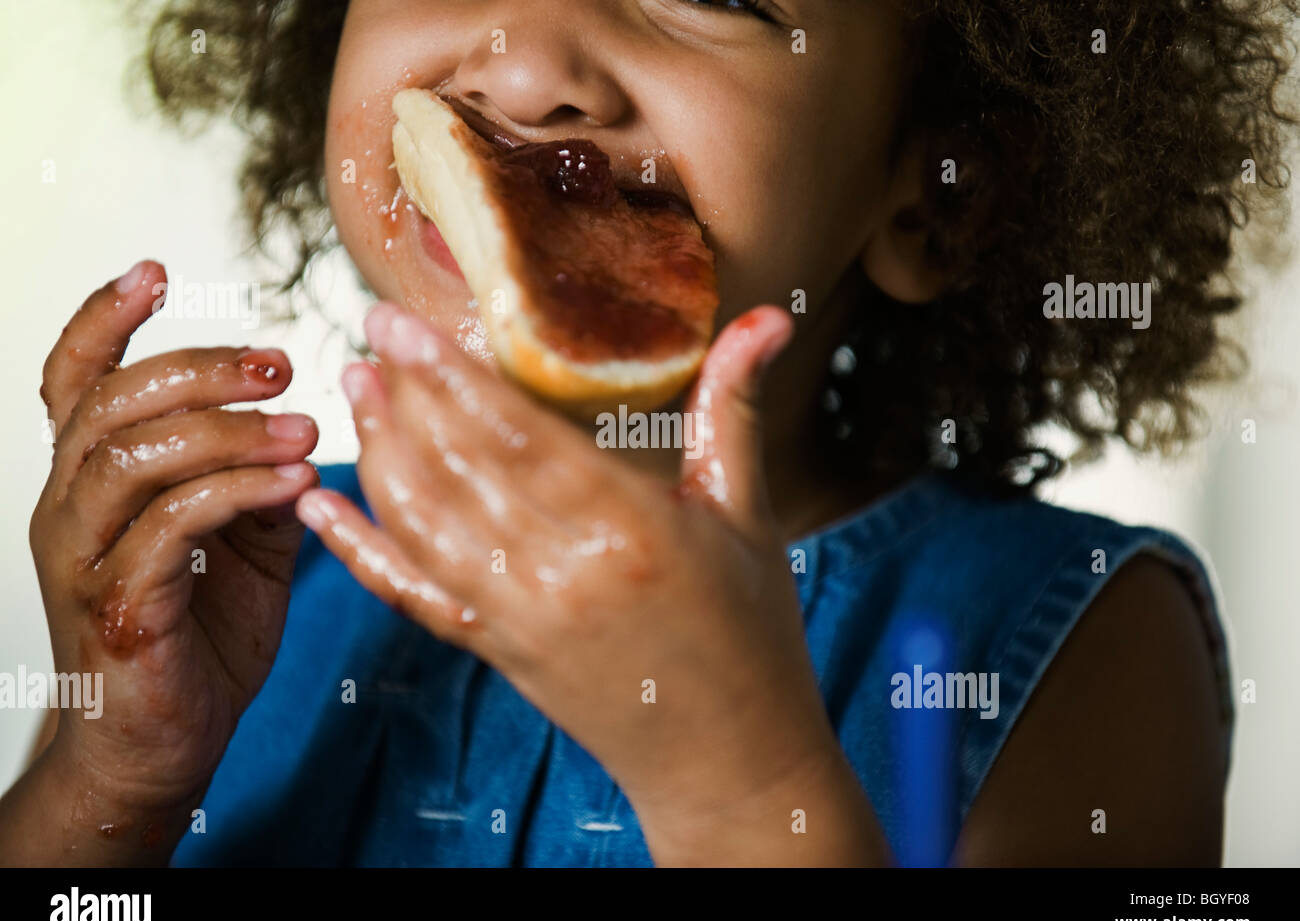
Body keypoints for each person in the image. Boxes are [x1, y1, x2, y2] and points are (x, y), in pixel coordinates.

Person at [2, 0, 1295, 866]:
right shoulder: (243, 580)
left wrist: (736, 778)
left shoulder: (1081, 643)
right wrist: (104, 776)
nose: (528, 65)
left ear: (933, 199)